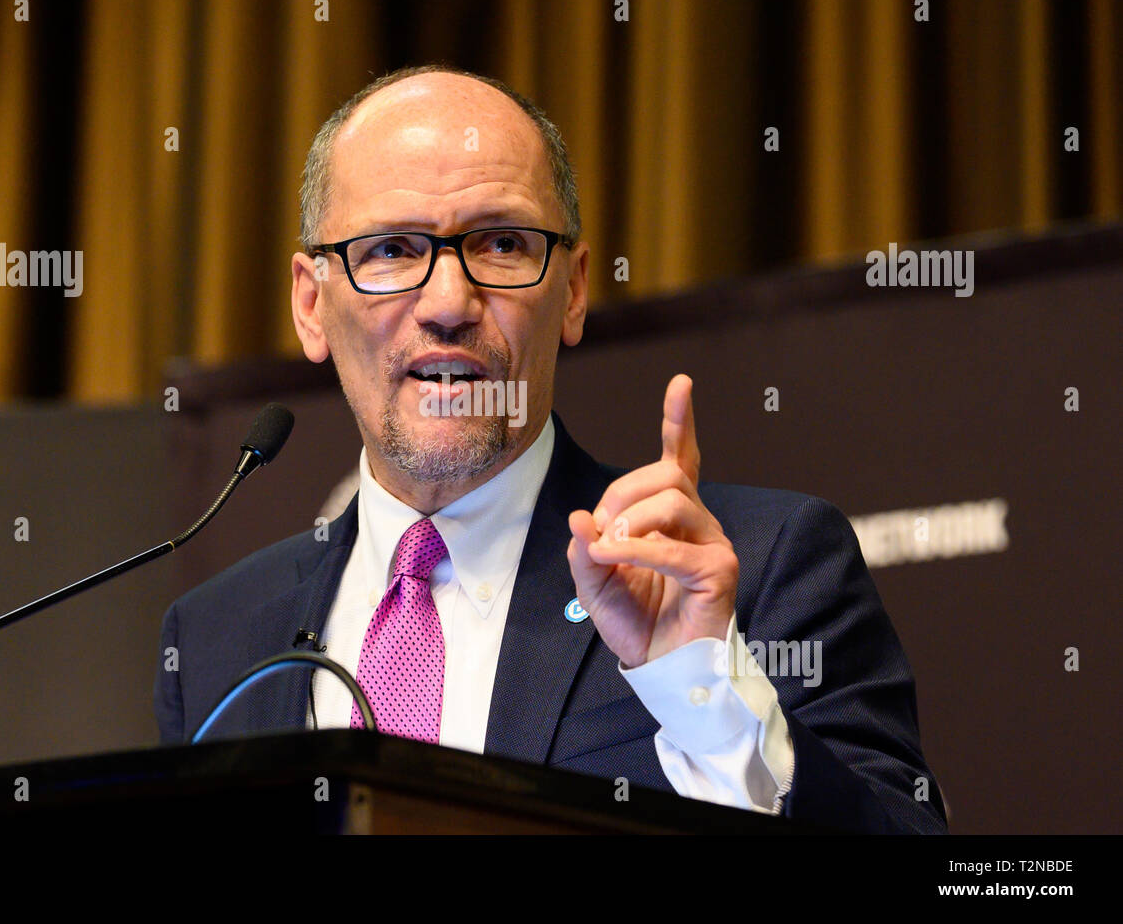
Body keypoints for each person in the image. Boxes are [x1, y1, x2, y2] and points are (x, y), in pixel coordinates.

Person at [154, 63, 947, 834]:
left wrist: (700, 691)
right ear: (310, 305)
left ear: (571, 291)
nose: (448, 303)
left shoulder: (756, 567)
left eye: (501, 243)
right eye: (392, 249)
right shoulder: (217, 637)